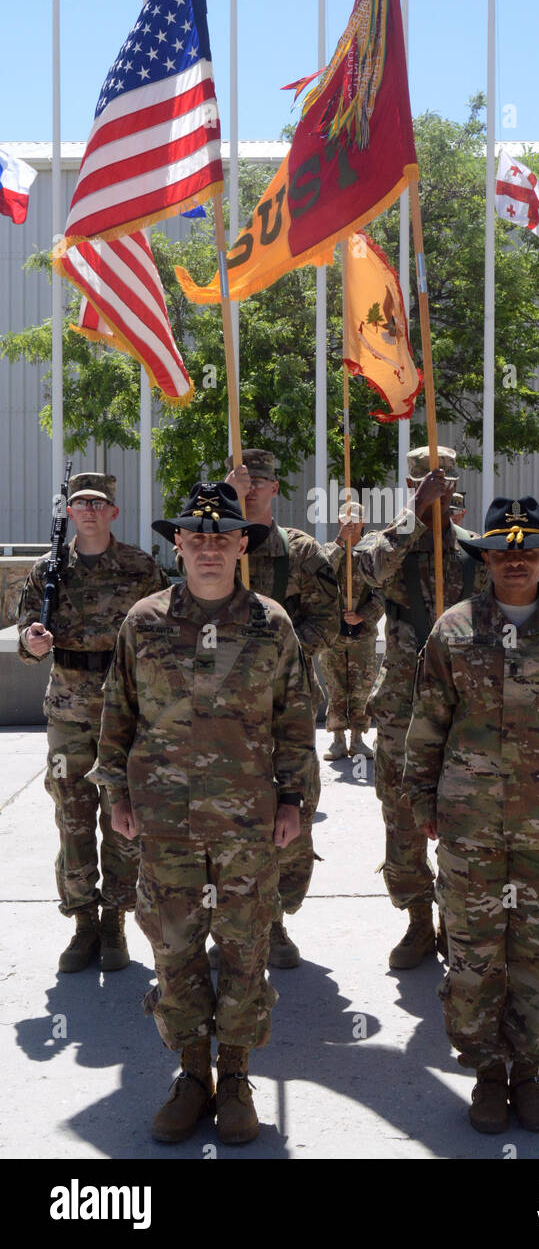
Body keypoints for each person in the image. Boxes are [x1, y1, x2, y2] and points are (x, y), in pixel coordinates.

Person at [89, 481, 315, 1144]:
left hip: (248, 819)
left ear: (243, 545)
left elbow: (296, 719)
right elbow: (118, 714)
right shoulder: (144, 622)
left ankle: (237, 1075)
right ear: (178, 546)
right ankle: (192, 1074)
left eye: (222, 537)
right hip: (165, 819)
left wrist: (295, 800)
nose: (209, 548)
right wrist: (116, 794)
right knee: (174, 948)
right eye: (196, 537)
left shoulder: (271, 624)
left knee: (244, 949)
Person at [403, 497, 539, 1133]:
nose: (516, 559)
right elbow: (428, 721)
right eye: (503, 550)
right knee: (473, 953)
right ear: (486, 558)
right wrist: (422, 799)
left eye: (527, 549)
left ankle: (529, 1070)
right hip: (468, 823)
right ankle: (486, 1073)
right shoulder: (454, 629)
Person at [16, 473, 167, 974]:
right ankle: (82, 921)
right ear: (69, 511)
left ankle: (115, 919)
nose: (89, 510)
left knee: (123, 818)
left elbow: (164, 631)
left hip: (125, 709)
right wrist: (32, 642)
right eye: (80, 502)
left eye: (98, 503)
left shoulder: (140, 567)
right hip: (68, 710)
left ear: (113, 512)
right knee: (72, 817)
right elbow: (26, 633)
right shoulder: (48, 568)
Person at [356, 446, 488, 969]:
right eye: (425, 483)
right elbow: (366, 570)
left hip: (464, 706)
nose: (438, 490)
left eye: (444, 483)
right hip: (402, 706)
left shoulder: (474, 550)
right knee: (402, 813)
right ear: (411, 486)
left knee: (463, 815)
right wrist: (412, 514)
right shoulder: (389, 543)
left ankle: (456, 918)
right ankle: (415, 917)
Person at [225, 450, 339, 967]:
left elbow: (327, 619)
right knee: (225, 816)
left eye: (260, 481)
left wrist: (280, 652)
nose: (251, 488)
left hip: (285, 703)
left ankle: (274, 920)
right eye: (241, 480)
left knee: (292, 812)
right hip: (221, 709)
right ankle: (230, 924)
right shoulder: (215, 543)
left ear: (275, 488)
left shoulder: (300, 551)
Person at [318, 502, 384, 762]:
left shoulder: (371, 553)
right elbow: (320, 574)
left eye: (355, 520)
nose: (351, 525)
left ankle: (358, 738)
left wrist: (362, 615)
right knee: (335, 686)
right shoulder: (329, 549)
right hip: (334, 632)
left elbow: (383, 591)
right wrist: (340, 542)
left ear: (363, 522)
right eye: (346, 521)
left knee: (361, 687)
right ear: (339, 522)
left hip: (362, 632)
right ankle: (337, 740)